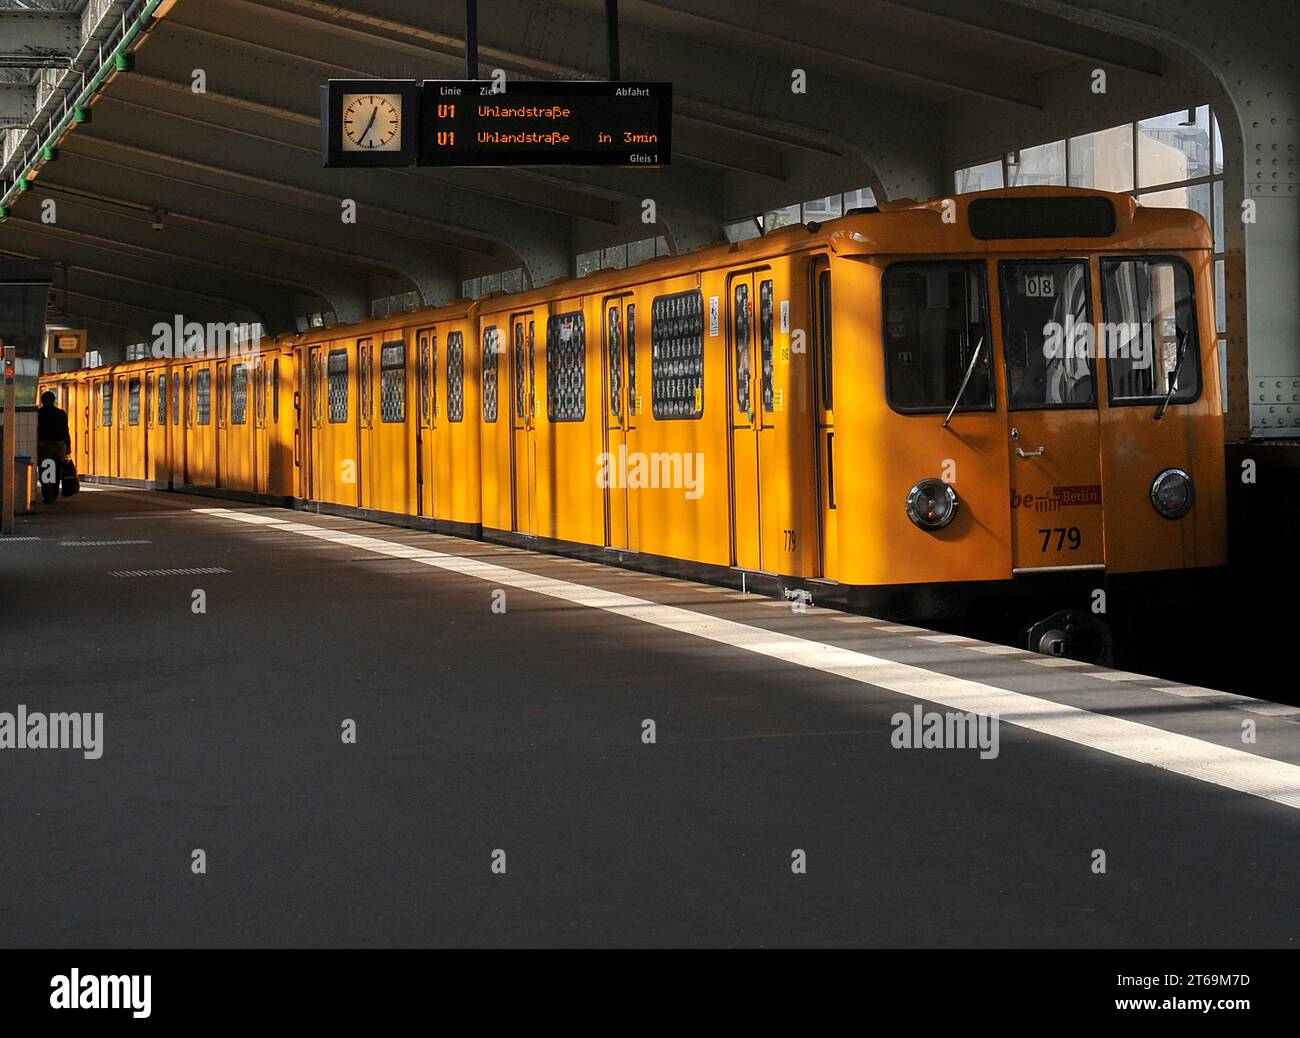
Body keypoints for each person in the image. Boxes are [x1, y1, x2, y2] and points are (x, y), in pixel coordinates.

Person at [37, 391, 71, 504]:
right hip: (59, 445)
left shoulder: (39, 414)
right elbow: (66, 431)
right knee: (56, 469)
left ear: (42, 401)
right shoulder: (61, 413)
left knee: (45, 469)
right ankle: (54, 492)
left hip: (44, 445)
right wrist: (68, 446)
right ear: (54, 400)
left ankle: (47, 494)